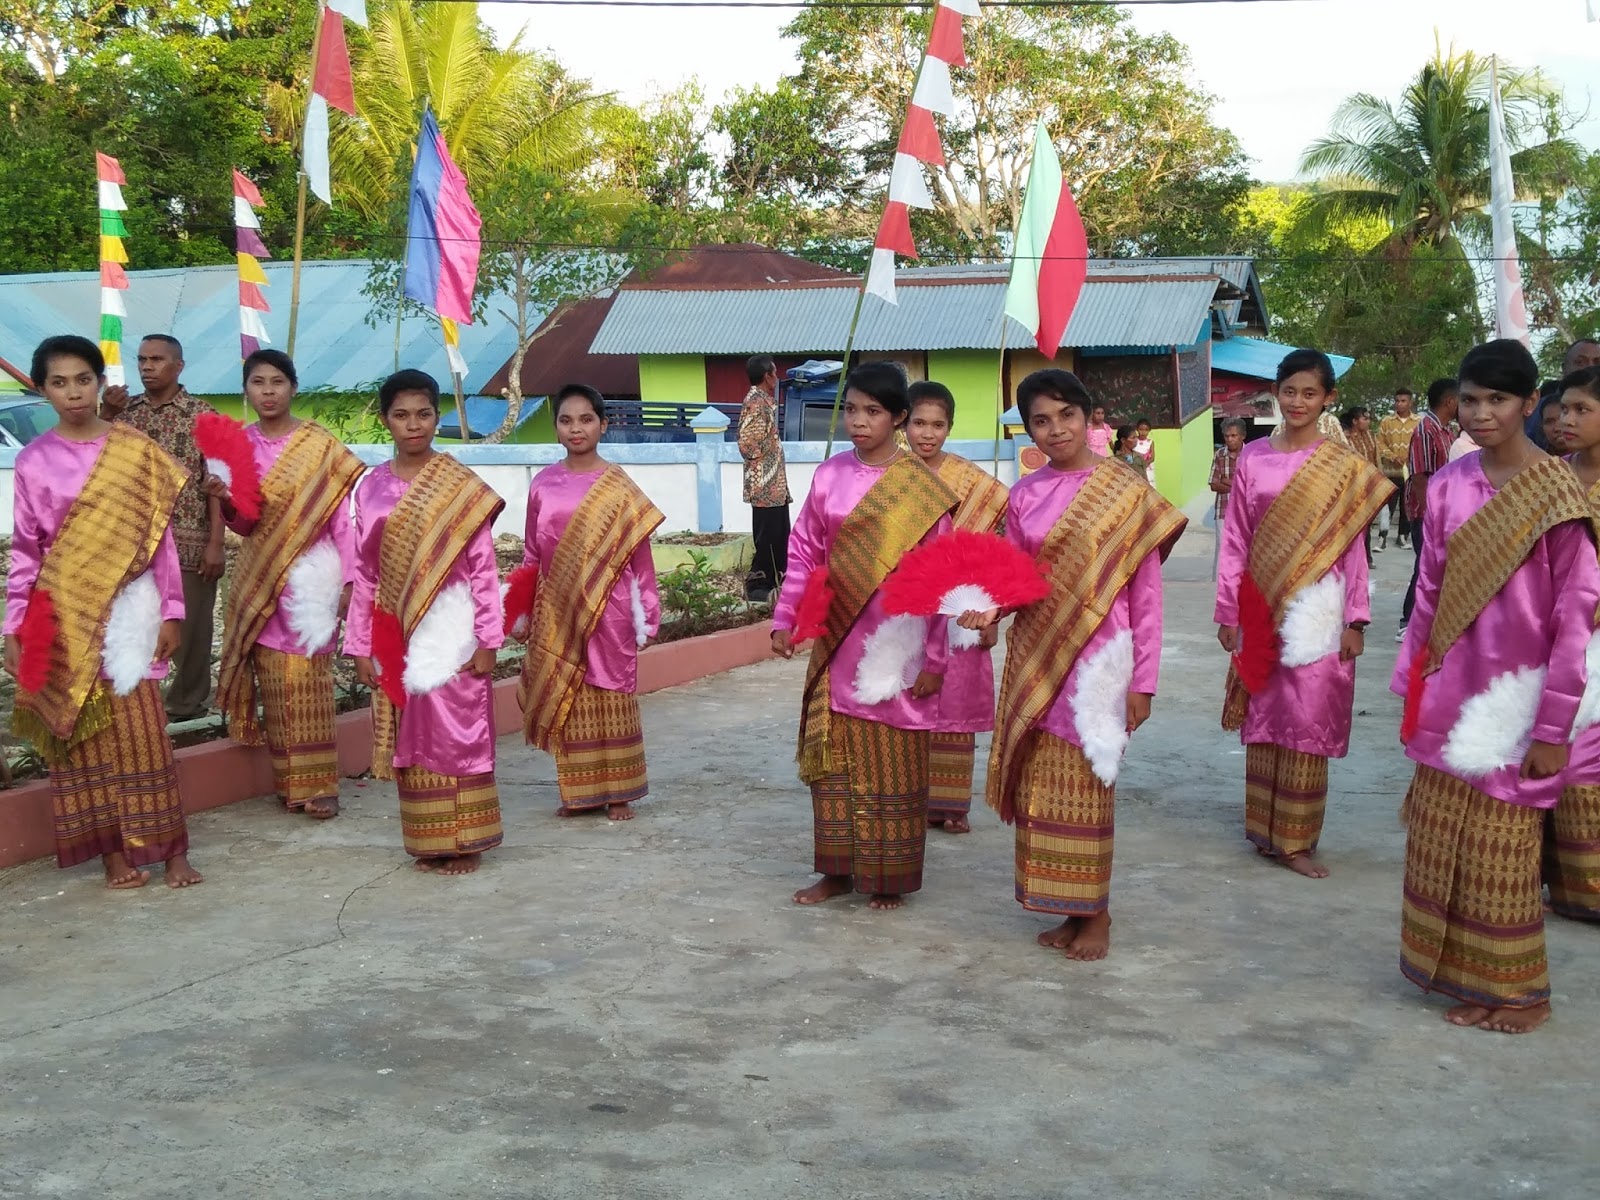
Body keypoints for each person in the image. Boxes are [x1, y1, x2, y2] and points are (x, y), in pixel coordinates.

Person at [1392, 339, 1600, 1035]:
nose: (1481, 413)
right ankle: (1469, 980)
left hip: (1520, 703)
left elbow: (1575, 623)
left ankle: (1524, 995)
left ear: (1529, 404)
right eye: (1471, 400)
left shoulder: (1558, 494)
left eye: (1499, 400)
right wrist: (1411, 686)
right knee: (1442, 840)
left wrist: (1553, 729)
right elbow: (1428, 593)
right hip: (1450, 691)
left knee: (1503, 855)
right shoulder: (1451, 483)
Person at [968, 369, 1186, 959]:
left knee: (1090, 788)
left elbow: (1147, 596)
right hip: (1037, 656)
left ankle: (1098, 916)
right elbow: (1015, 577)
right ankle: (1068, 906)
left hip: (1099, 667)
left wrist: (1144, 681)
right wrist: (987, 610)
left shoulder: (1127, 491)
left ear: (1089, 417)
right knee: (1044, 788)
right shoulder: (1025, 494)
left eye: (1066, 414)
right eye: (1041, 420)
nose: (1055, 428)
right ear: (1029, 430)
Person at [4, 335, 203, 889]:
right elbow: (27, 552)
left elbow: (160, 542)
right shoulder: (34, 461)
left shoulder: (135, 450)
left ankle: (170, 851)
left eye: (83, 379)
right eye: (59, 383)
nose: (73, 393)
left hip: (131, 615)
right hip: (63, 616)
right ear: (42, 390)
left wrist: (171, 611)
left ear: (100, 382)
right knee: (82, 739)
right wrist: (13, 627)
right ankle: (113, 855)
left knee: (145, 733)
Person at [771, 361, 956, 911]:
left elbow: (940, 578)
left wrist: (935, 660)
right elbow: (804, 551)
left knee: (889, 759)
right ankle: (836, 871)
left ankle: (889, 877)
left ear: (899, 417)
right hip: (837, 639)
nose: (858, 421)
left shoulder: (921, 488)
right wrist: (787, 617)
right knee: (832, 758)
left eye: (872, 411)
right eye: (850, 409)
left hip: (897, 646)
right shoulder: (829, 476)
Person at [1215, 349, 1393, 879]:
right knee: (1265, 713)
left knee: (1308, 717)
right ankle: (1263, 830)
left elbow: (1354, 549)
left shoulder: (1343, 468)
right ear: (1277, 392)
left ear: (1327, 399)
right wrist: (1230, 610)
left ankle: (1296, 840)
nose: (1297, 402)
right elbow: (1236, 539)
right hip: (1261, 604)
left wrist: (1356, 619)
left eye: (1309, 393)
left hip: (1321, 611)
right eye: (1289, 391)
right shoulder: (1253, 457)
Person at [345, 371, 506, 874]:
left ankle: (467, 841)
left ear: (438, 417)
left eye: (423, 414)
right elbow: (364, 573)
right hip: (397, 631)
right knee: (411, 735)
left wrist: (488, 638)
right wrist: (360, 645)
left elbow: (483, 566)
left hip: (452, 630)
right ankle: (428, 839)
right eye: (400, 415)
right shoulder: (370, 488)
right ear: (384, 419)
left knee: (458, 731)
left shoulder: (459, 486)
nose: (413, 425)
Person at [206, 350, 365, 820]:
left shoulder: (320, 446)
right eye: (258, 382)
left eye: (278, 381)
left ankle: (320, 785)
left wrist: (350, 581)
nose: (269, 391)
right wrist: (226, 502)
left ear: (293, 387)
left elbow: (342, 521)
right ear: (247, 390)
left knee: (309, 684)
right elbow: (246, 524)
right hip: (258, 578)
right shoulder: (238, 446)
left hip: (310, 583)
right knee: (275, 683)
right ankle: (289, 783)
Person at [518, 384, 663, 821]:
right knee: (570, 696)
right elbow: (530, 552)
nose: (575, 428)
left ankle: (618, 793)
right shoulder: (543, 484)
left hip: (611, 609)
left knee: (610, 693)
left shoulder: (619, 488)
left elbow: (641, 559)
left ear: (603, 424)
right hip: (557, 610)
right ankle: (578, 792)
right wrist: (522, 611)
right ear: (556, 427)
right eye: (566, 420)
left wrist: (647, 616)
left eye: (585, 419)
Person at [99, 334, 225, 722]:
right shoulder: (123, 413)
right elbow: (89, 457)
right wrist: (105, 412)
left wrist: (216, 543)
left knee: (190, 631)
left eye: (157, 359)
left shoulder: (204, 416)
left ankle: (187, 709)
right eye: (142, 359)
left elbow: (218, 483)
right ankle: (138, 708)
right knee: (134, 626)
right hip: (131, 545)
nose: (147, 367)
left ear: (179, 366)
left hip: (190, 542)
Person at [905, 379, 1009, 833]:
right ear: (903, 424)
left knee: (955, 704)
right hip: (905, 610)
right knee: (907, 700)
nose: (927, 434)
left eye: (937, 425)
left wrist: (991, 617)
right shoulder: (891, 476)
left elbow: (992, 552)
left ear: (950, 427)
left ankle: (950, 807)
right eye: (918, 423)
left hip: (960, 613)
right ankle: (907, 797)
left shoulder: (975, 483)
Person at [1548, 363, 1600, 922]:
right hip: (1550, 640)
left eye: (1583, 409)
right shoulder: (1552, 477)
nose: (1569, 419)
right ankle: (1560, 882)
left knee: (1587, 767)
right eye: (1565, 409)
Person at [1398, 379, 1459, 642]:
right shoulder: (1426, 429)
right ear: (1449, 401)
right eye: (1462, 400)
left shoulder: (1447, 431)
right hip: (1425, 511)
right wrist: (1427, 512)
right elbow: (1421, 475)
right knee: (1425, 563)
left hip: (1442, 509)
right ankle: (1408, 619)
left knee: (1434, 564)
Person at [737, 355, 790, 603]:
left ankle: (780, 580)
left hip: (775, 485)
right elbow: (747, 445)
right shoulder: (756, 404)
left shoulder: (765, 401)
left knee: (780, 533)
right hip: (764, 485)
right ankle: (759, 584)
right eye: (775, 373)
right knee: (767, 536)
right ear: (767, 377)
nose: (777, 378)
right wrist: (769, 452)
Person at [1376, 388, 1420, 552]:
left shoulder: (1418, 422)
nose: (1399, 404)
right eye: (1397, 401)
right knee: (1387, 504)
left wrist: (1409, 457)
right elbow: (1379, 443)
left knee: (1407, 504)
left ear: (1410, 402)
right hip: (1390, 471)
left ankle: (1403, 536)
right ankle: (1382, 536)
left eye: (1403, 401)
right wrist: (1393, 457)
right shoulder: (1387, 421)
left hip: (1409, 471)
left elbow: (1419, 443)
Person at [1342, 406, 1380, 568]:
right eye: (1364, 419)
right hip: (1353, 488)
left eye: (1368, 418)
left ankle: (1366, 557)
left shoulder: (1371, 436)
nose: (1368, 421)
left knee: (1367, 523)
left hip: (1369, 486)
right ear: (1355, 421)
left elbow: (1376, 458)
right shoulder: (1346, 438)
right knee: (1354, 525)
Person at [1208, 418, 1246, 580]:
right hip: (1223, 509)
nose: (1230, 439)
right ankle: (1218, 581)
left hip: (1245, 510)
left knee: (1244, 546)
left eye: (1233, 436)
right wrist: (1237, 485)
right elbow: (1213, 484)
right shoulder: (1219, 455)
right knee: (1222, 545)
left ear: (1242, 436)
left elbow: (1252, 483)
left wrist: (1227, 481)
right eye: (1226, 436)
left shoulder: (1250, 454)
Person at [1132, 417, 1156, 486]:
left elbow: (1152, 458)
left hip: (1147, 468)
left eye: (1146, 430)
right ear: (1137, 429)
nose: (1143, 432)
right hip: (1135, 467)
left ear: (1149, 431)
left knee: (1149, 486)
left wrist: (1143, 464)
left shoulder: (1150, 442)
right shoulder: (1134, 440)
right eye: (1141, 429)